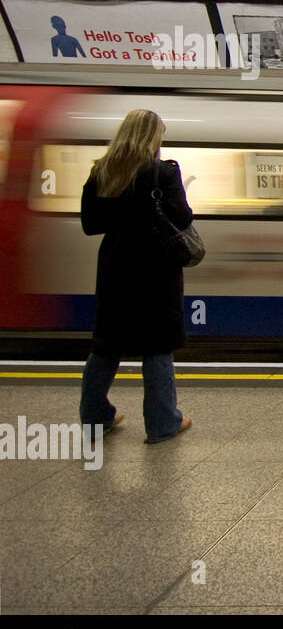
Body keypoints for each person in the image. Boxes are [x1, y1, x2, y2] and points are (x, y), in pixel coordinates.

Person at [79, 109, 194, 443]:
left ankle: (96, 418)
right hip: (156, 271)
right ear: (153, 137)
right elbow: (183, 218)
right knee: (157, 348)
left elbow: (91, 224)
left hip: (116, 269)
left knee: (105, 347)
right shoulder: (162, 173)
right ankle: (162, 423)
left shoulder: (102, 171)